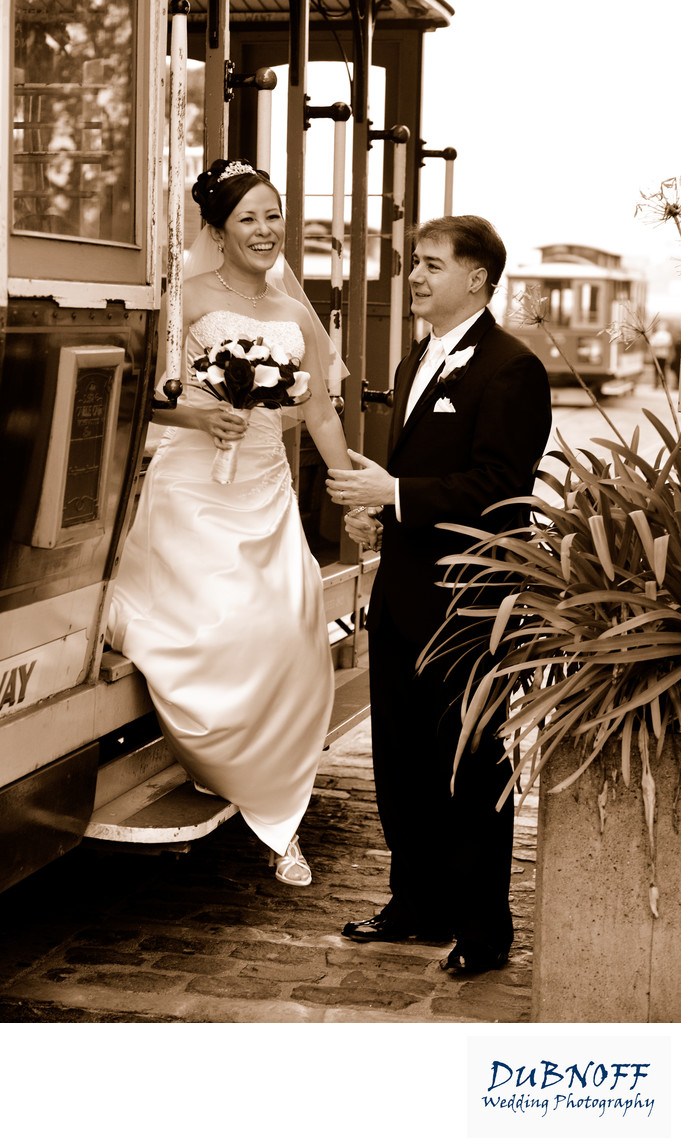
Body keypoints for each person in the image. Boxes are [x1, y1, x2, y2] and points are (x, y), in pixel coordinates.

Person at [108, 159, 355, 887]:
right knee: (221, 630)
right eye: (248, 217)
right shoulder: (183, 299)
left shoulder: (295, 312)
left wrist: (350, 490)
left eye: (274, 215)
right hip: (192, 493)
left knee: (292, 629)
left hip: (265, 491)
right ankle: (239, 781)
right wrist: (199, 411)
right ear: (216, 231)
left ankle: (279, 798)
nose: (265, 229)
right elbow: (146, 397)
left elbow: (317, 411)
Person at [326, 215, 552, 972]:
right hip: (401, 598)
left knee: (468, 768)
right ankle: (414, 905)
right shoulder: (418, 355)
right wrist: (379, 512)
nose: (415, 278)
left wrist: (393, 491)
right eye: (413, 264)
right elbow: (419, 476)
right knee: (400, 764)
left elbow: (498, 488)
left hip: (465, 611)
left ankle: (484, 931)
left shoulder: (511, 369)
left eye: (429, 265)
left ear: (476, 279)